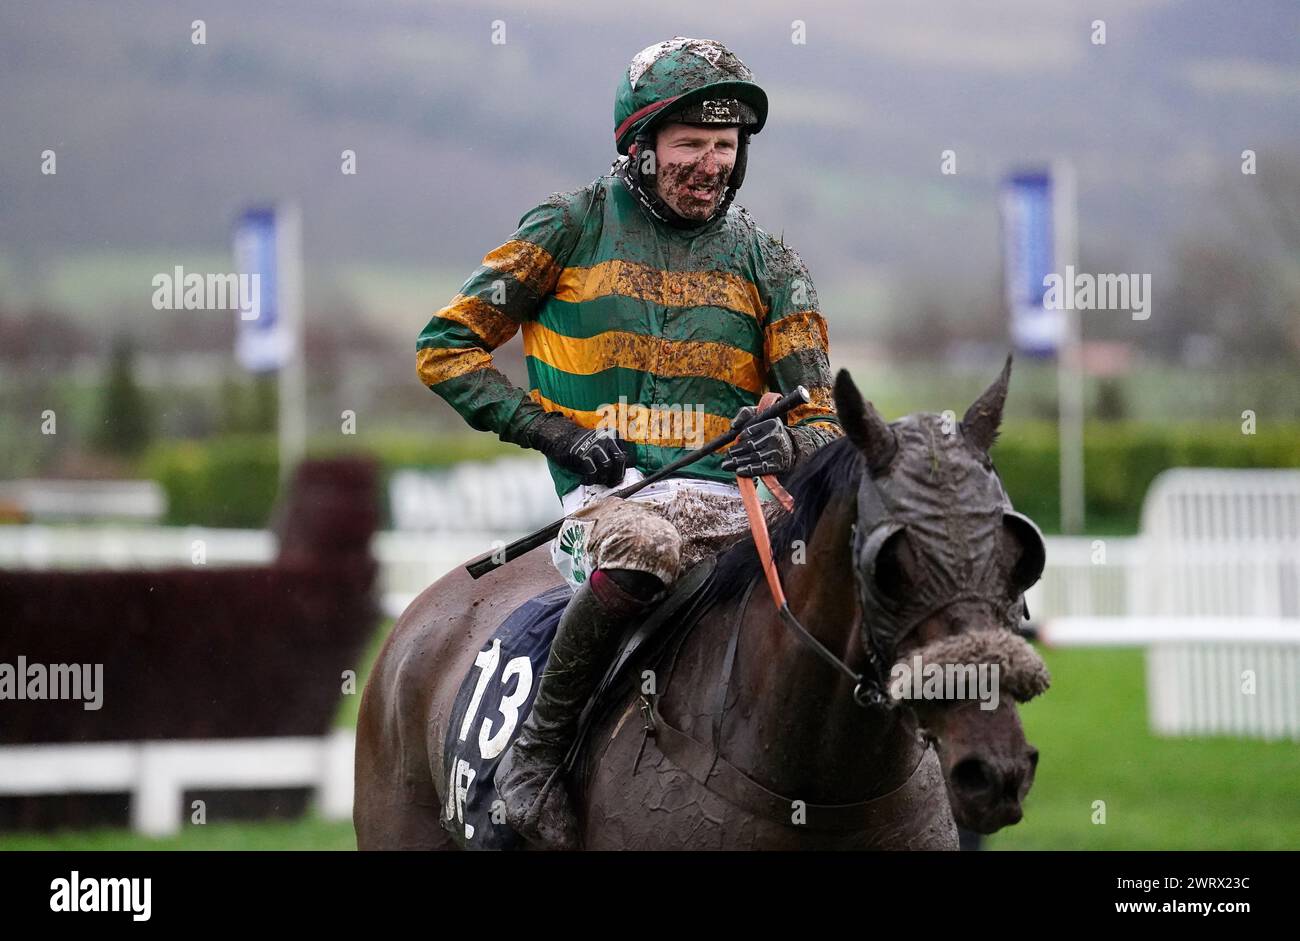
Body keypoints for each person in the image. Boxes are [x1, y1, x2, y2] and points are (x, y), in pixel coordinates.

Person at [416, 36, 842, 849]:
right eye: (690, 145)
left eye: (725, 146)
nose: (711, 164)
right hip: (613, 505)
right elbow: (445, 348)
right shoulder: (566, 226)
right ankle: (534, 759)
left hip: (741, 509)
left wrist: (790, 447)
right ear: (641, 149)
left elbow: (818, 412)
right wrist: (554, 432)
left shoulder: (773, 261)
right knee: (645, 542)